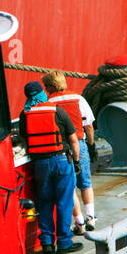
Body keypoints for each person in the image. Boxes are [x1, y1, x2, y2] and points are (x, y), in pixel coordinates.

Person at [19, 82, 83, 254]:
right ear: (42, 93)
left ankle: (47, 243)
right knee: (64, 201)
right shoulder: (57, 111)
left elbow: (24, 141)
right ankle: (64, 243)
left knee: (45, 202)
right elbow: (74, 140)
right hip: (62, 160)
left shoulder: (24, 115)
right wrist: (76, 162)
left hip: (40, 164)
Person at [42, 70, 98, 232]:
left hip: (60, 148)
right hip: (79, 144)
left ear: (51, 86)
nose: (45, 89)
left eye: (46, 86)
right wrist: (92, 145)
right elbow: (88, 125)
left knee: (70, 186)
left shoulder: (48, 102)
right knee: (86, 183)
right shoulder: (78, 98)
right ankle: (91, 218)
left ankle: (79, 223)